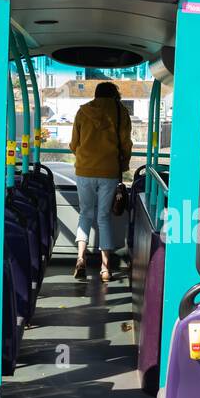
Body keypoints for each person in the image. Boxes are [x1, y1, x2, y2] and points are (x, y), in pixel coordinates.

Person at [69, 81, 132, 281]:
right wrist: (124, 164)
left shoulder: (83, 112)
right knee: (103, 217)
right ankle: (105, 268)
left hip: (84, 170)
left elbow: (73, 143)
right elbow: (126, 143)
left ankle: (80, 258)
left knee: (85, 214)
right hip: (109, 171)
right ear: (114, 95)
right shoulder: (120, 112)